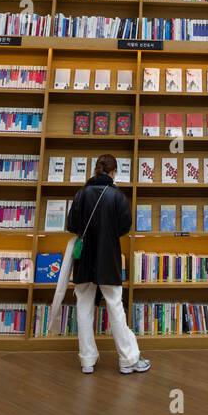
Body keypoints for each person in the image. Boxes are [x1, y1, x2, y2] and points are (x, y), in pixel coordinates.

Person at [66, 154, 150, 375]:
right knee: (115, 307)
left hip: (83, 259)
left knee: (83, 307)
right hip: (107, 258)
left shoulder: (81, 193)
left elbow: (72, 224)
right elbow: (124, 227)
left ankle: (87, 360)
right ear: (114, 172)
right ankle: (127, 359)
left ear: (96, 170)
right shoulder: (117, 196)